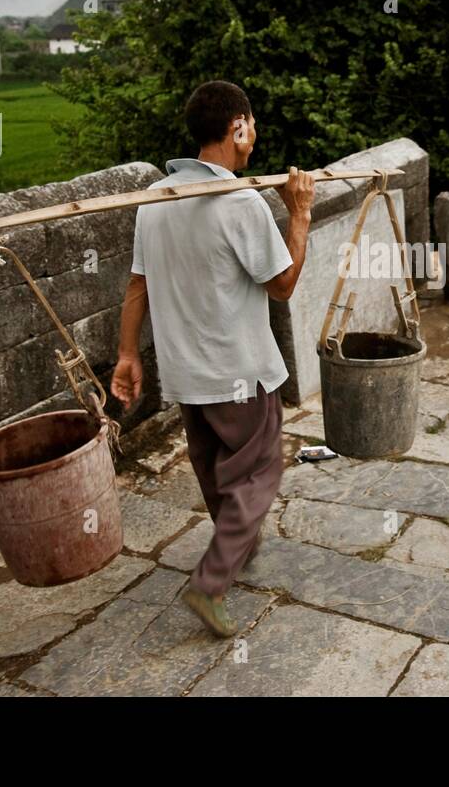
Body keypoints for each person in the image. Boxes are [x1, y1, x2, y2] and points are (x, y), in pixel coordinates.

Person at [112, 80, 315, 637]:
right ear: (237, 128)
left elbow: (137, 283)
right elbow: (283, 285)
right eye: (252, 122)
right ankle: (210, 582)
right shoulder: (240, 203)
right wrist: (297, 213)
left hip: (185, 375)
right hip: (239, 371)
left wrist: (128, 354)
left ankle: (235, 547)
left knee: (219, 473)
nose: (256, 133)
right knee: (261, 470)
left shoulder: (158, 199)